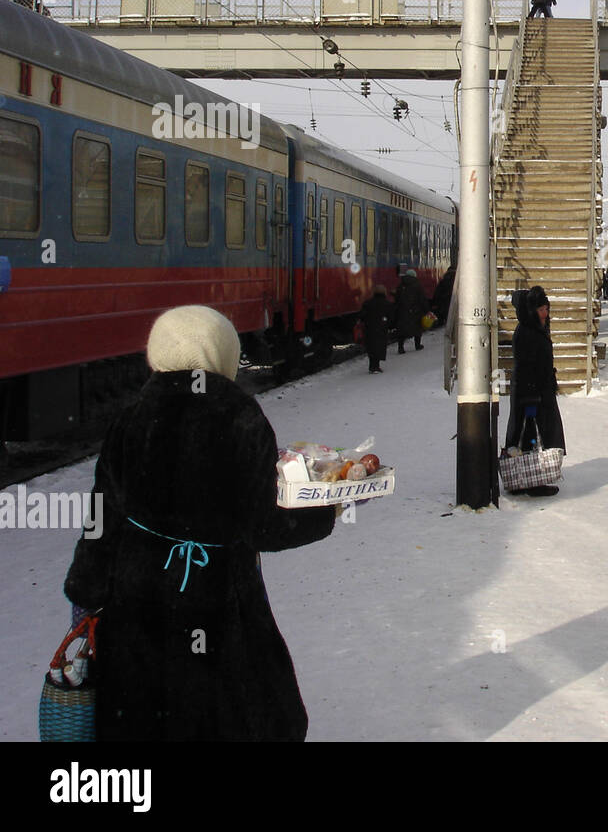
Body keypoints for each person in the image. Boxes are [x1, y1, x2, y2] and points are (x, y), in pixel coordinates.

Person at [62, 306, 336, 740]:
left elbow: (101, 519)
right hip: (220, 603)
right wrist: (326, 510)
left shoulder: (128, 420)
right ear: (221, 354)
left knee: (143, 718)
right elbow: (263, 525)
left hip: (137, 606)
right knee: (229, 715)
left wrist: (85, 588)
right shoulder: (242, 418)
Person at [503, 285, 565, 497]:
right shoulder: (528, 332)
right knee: (532, 437)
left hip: (535, 391)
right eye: (541, 310)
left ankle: (522, 480)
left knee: (527, 436)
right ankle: (532, 481)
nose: (545, 314)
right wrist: (531, 398)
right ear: (532, 311)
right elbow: (527, 366)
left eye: (546, 309)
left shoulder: (534, 328)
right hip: (531, 394)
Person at [359, 284, 393, 373]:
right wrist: (387, 324)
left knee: (371, 346)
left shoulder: (367, 303)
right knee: (379, 346)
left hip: (369, 328)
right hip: (382, 328)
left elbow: (362, 315)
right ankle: (376, 366)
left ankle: (372, 366)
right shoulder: (387, 303)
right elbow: (391, 317)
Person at [394, 268, 429, 354]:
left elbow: (397, 299)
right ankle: (417, 345)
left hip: (403, 311)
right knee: (417, 329)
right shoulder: (418, 285)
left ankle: (400, 348)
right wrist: (426, 310)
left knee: (401, 330)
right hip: (415, 311)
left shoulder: (401, 285)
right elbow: (422, 299)